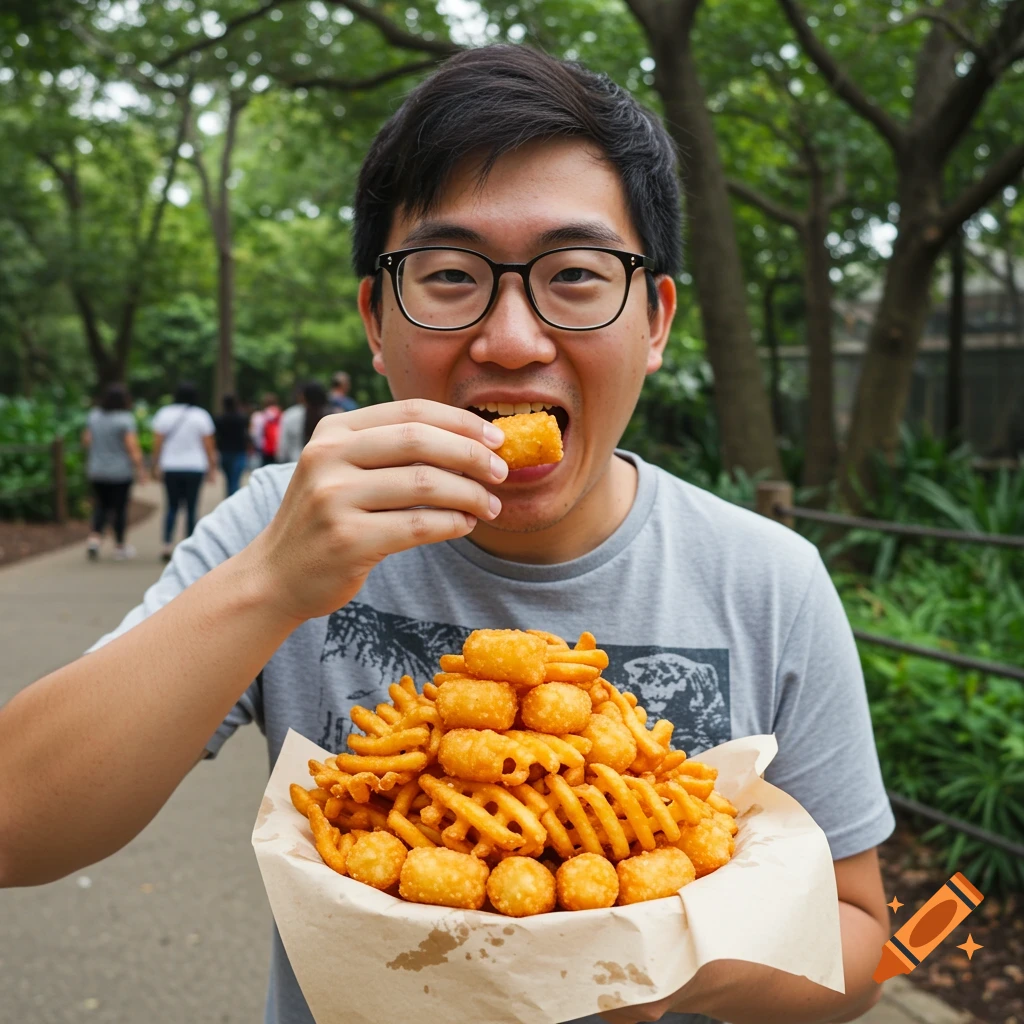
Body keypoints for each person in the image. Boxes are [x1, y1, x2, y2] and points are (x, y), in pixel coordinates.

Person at [0, 46, 893, 1024]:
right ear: (375, 321)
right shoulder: (280, 526)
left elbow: (863, 940)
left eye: (578, 274)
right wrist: (272, 583)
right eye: (451, 275)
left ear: (656, 320)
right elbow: (16, 825)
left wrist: (669, 953)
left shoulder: (766, 577)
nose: (512, 339)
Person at [150, 381, 216, 561]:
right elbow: (208, 446)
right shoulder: (201, 415)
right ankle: (189, 546)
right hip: (195, 467)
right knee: (191, 507)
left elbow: (157, 443)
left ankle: (167, 544)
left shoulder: (164, 414)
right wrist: (212, 468)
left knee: (171, 506)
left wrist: (154, 464)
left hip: (171, 466)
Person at [82, 382, 146, 561]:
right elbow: (132, 447)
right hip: (120, 473)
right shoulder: (125, 419)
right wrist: (141, 469)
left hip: (97, 470)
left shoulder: (94, 416)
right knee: (119, 508)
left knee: (101, 505)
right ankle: (119, 546)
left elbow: (86, 440)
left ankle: (94, 539)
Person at [277, 381, 331, 463]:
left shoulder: (290, 415)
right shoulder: (331, 416)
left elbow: (283, 448)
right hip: (324, 466)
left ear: (303, 397)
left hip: (295, 464)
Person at [213, 394, 250, 498]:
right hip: (239, 452)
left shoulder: (219, 419)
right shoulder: (242, 418)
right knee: (235, 480)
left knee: (229, 480)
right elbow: (246, 434)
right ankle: (234, 500)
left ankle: (230, 499)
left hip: (225, 452)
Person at [250, 392, 281, 467]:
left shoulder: (259, 416)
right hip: (278, 448)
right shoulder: (281, 415)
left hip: (264, 449)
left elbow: (254, 434)